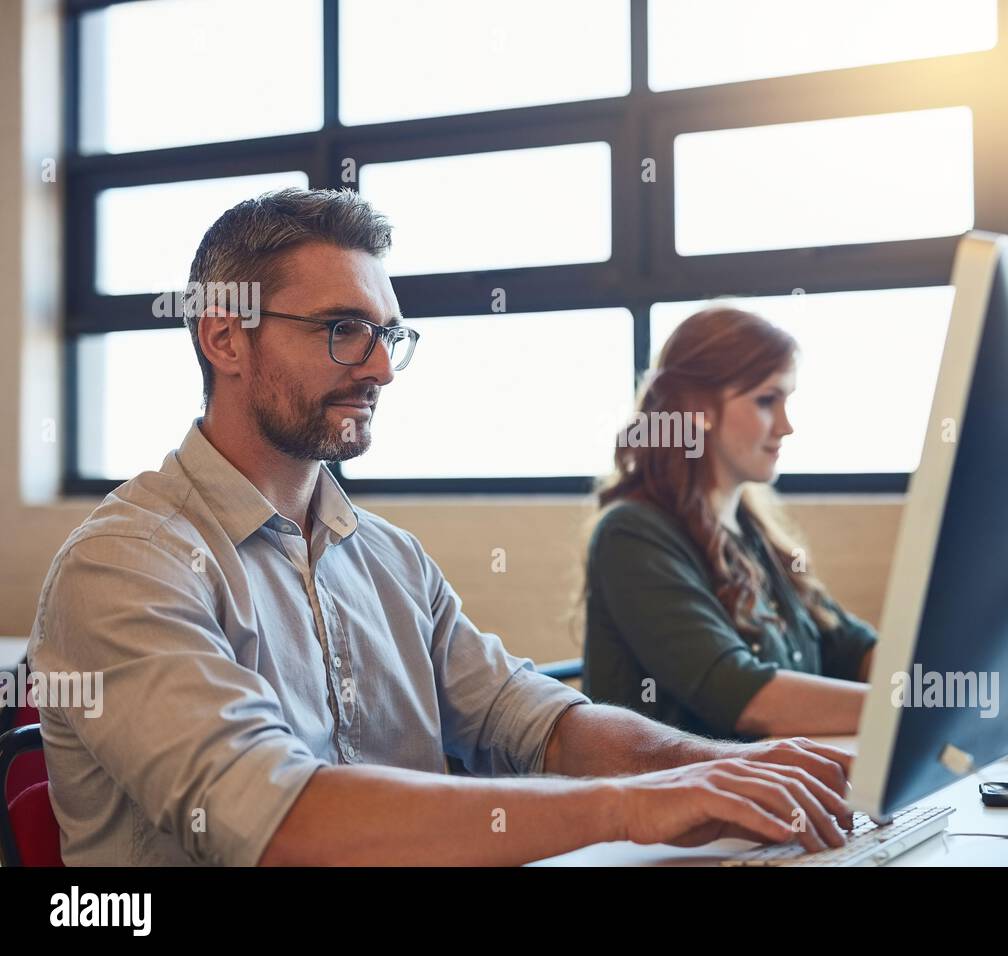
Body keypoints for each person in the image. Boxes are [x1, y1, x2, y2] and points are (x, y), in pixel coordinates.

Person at [29, 188, 855, 866]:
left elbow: (533, 722)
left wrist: (732, 768)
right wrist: (629, 808)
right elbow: (278, 816)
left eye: (388, 334)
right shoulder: (127, 564)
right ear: (224, 338)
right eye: (342, 331)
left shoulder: (388, 558)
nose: (383, 367)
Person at [583, 307, 878, 740]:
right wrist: (904, 711)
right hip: (674, 803)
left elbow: (850, 648)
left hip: (771, 796)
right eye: (766, 400)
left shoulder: (751, 532)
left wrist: (936, 689)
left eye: (787, 401)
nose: (786, 426)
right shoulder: (631, 535)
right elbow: (743, 698)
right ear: (698, 409)